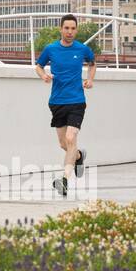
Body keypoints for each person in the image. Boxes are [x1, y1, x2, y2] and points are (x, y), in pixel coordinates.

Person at [34, 14, 97, 197]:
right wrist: (43, 75)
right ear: (61, 29)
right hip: (57, 102)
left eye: (73, 28)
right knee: (64, 144)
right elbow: (38, 66)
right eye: (66, 28)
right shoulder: (51, 49)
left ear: (76, 30)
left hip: (77, 101)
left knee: (70, 139)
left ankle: (64, 180)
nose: (70, 32)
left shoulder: (82, 49)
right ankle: (78, 156)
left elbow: (92, 64)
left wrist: (90, 79)